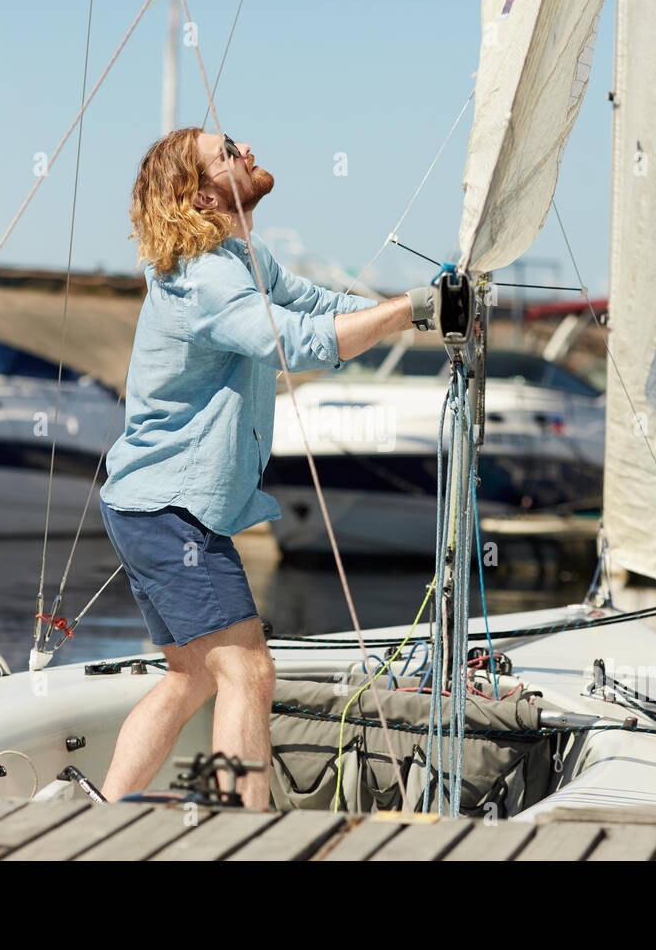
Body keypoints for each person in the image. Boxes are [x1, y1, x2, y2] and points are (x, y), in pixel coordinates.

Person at [97, 128, 437, 808]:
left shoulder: (239, 256)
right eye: (225, 152)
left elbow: (318, 308)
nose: (245, 151)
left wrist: (416, 308)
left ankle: (106, 811)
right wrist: (407, 313)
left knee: (191, 679)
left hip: (152, 504)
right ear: (202, 193)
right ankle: (244, 838)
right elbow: (296, 342)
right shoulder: (205, 276)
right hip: (169, 510)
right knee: (248, 670)